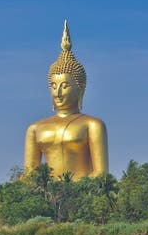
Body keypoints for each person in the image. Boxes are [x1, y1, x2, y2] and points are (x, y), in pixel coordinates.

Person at [24, 21, 109, 180]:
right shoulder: (35, 128)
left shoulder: (92, 125)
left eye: (65, 86)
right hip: (45, 194)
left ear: (80, 88)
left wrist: (75, 191)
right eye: (53, 86)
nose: (58, 92)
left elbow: (101, 174)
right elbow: (30, 175)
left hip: (83, 194)